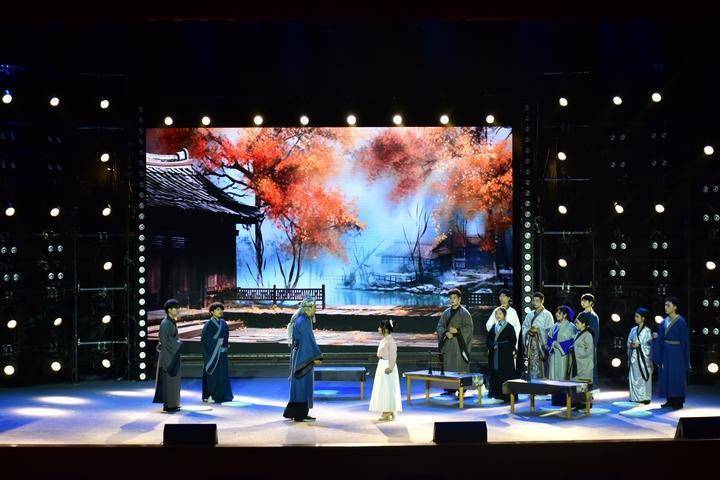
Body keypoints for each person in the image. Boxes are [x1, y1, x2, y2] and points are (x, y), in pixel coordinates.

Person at [283, 296, 323, 422]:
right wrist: (317, 355)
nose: (315, 309)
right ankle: (300, 414)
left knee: (298, 384)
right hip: (303, 355)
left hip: (298, 354)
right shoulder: (304, 321)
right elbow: (308, 340)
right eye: (314, 307)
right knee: (302, 383)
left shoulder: (300, 319)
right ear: (308, 308)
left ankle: (294, 411)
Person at [654, 296, 690, 409]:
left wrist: (685, 357)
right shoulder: (663, 322)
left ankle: (678, 401)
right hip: (666, 351)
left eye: (668, 305)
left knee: (676, 375)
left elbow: (685, 341)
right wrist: (656, 339)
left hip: (676, 352)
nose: (665, 307)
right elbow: (661, 338)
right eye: (665, 305)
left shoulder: (681, 321)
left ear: (675, 307)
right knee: (666, 374)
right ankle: (669, 400)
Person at [436, 288, 474, 395]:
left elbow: (469, 328)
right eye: (451, 298)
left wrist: (458, 331)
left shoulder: (465, 313)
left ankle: (462, 389)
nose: (452, 300)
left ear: (459, 299)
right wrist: (445, 332)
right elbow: (439, 326)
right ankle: (450, 388)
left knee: (460, 366)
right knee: (449, 365)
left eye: (454, 298)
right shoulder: (446, 313)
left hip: (459, 345)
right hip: (448, 344)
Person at [153, 299, 183, 412]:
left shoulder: (170, 322)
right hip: (168, 356)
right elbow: (166, 341)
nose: (178, 310)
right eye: (176, 308)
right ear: (169, 310)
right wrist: (178, 344)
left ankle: (173, 404)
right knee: (168, 381)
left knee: (173, 381)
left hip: (172, 354)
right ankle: (169, 405)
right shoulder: (166, 323)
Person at [369, 319, 402, 421]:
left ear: (386, 329)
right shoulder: (384, 340)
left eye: (380, 327)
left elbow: (393, 355)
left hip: (387, 365)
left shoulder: (390, 341)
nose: (378, 329)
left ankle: (387, 412)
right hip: (382, 364)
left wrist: (390, 367)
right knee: (384, 388)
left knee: (387, 389)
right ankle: (390, 411)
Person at [201, 302, 234, 404]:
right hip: (213, 355)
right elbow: (205, 340)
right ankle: (211, 395)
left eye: (221, 309)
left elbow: (226, 337)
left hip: (222, 354)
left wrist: (225, 345)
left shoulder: (224, 323)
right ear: (212, 312)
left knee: (223, 375)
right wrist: (218, 343)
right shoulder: (208, 324)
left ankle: (223, 395)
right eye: (217, 309)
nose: (220, 311)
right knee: (214, 375)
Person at [485, 307, 517, 402]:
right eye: (496, 314)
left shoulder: (509, 327)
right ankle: (496, 393)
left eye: (500, 314)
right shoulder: (494, 326)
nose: (498, 316)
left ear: (504, 315)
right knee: (494, 373)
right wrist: (492, 345)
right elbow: (488, 339)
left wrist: (500, 346)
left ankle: (506, 395)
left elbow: (513, 341)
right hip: (494, 354)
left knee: (505, 374)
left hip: (505, 356)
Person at [548, 306, 578, 405]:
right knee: (553, 376)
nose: (556, 314)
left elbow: (573, 341)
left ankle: (564, 400)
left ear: (565, 315)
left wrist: (560, 345)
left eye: (559, 313)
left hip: (564, 355)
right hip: (554, 354)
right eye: (556, 312)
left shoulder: (571, 327)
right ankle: (555, 399)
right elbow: (549, 338)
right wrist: (553, 343)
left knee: (562, 376)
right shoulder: (555, 325)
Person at [521, 292, 554, 379]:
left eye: (537, 301)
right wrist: (529, 330)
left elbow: (550, 330)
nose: (534, 303)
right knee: (531, 364)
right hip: (531, 343)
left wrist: (538, 330)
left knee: (542, 365)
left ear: (542, 301)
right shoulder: (530, 314)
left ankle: (542, 381)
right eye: (533, 300)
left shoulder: (547, 314)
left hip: (541, 345)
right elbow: (524, 327)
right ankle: (532, 381)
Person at [568, 313, 595, 408]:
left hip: (585, 364)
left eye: (578, 323)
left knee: (584, 385)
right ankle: (578, 402)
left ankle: (585, 404)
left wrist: (575, 349)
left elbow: (589, 351)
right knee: (577, 384)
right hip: (577, 363)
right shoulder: (578, 334)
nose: (576, 324)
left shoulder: (588, 335)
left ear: (583, 324)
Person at [627, 307, 653, 404]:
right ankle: (634, 397)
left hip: (644, 358)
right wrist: (631, 345)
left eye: (637, 316)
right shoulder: (633, 330)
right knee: (634, 377)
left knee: (644, 376)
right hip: (634, 357)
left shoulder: (648, 331)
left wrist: (640, 345)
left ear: (643, 318)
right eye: (635, 316)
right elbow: (628, 342)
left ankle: (645, 397)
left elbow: (650, 346)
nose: (635, 318)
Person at [575, 293, 600, 384]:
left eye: (585, 301)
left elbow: (594, 334)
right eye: (582, 301)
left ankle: (590, 389)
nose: (582, 303)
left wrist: (591, 347)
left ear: (591, 302)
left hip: (588, 347)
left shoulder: (593, 316)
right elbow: (576, 329)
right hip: (579, 346)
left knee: (589, 369)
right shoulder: (581, 314)